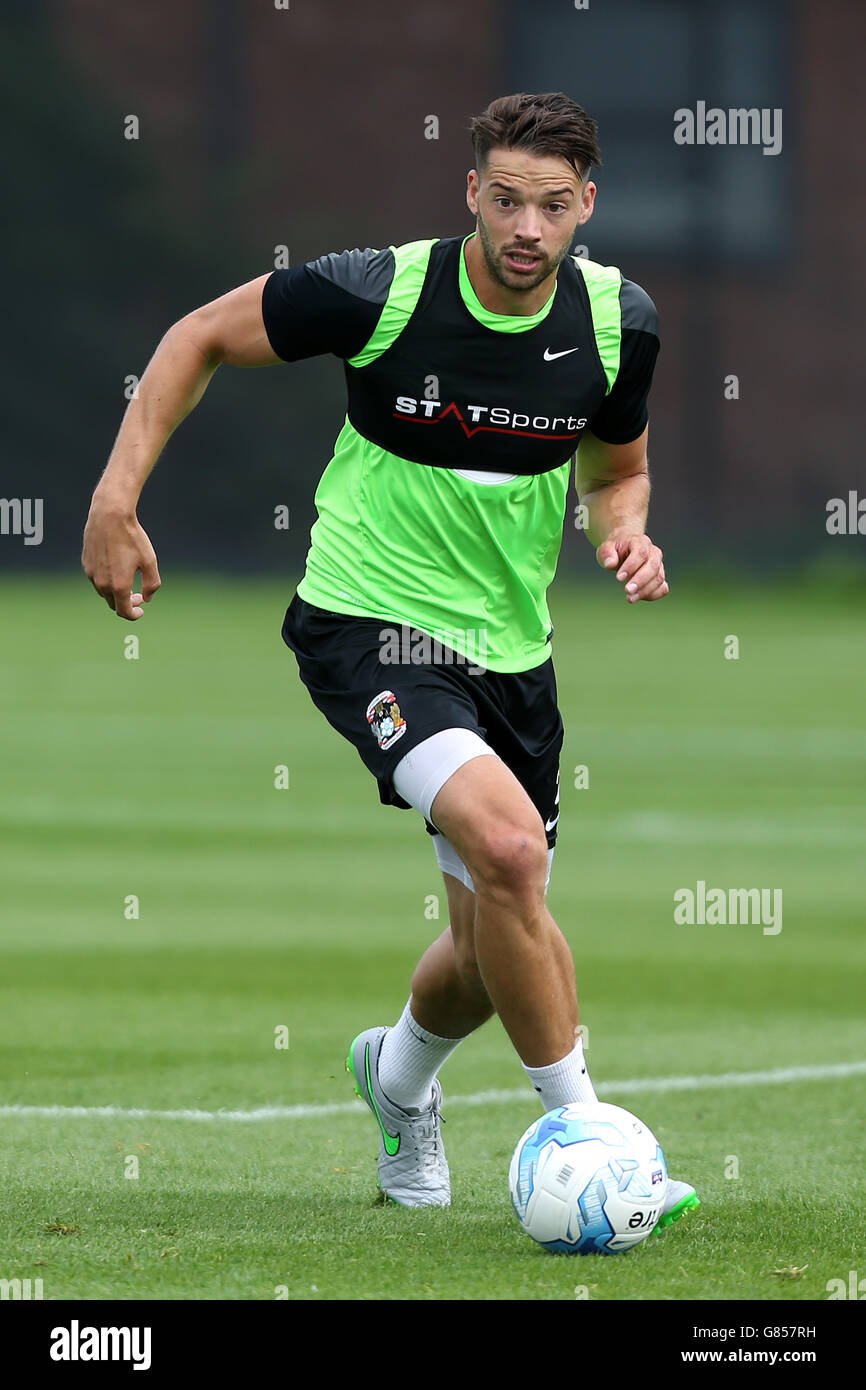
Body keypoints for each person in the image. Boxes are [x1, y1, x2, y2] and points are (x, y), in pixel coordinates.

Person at [82, 90, 699, 1230]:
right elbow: (197, 338)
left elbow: (617, 468)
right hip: (369, 623)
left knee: (481, 948)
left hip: (513, 658)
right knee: (510, 854)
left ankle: (398, 1080)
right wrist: (116, 498)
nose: (524, 226)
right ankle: (594, 1138)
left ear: (585, 209)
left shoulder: (620, 320)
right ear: (470, 191)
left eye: (550, 206)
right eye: (504, 199)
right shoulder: (382, 290)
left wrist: (621, 527)